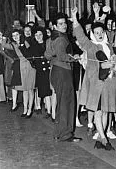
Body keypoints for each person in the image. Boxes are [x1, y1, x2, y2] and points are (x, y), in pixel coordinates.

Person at [71, 7, 116, 150]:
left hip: (109, 83)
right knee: (98, 111)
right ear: (93, 33)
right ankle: (104, 138)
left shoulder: (109, 46)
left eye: (101, 32)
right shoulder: (91, 46)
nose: (99, 34)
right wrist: (74, 18)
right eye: (96, 32)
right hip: (97, 84)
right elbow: (80, 36)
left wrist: (115, 64)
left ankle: (100, 136)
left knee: (105, 111)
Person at [44, 13, 81, 143]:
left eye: (65, 23)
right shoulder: (60, 38)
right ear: (54, 26)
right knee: (67, 102)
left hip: (56, 71)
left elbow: (47, 55)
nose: (64, 25)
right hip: (63, 71)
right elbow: (62, 56)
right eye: (60, 24)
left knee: (62, 102)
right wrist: (74, 58)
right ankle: (65, 134)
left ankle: (59, 133)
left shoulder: (51, 38)